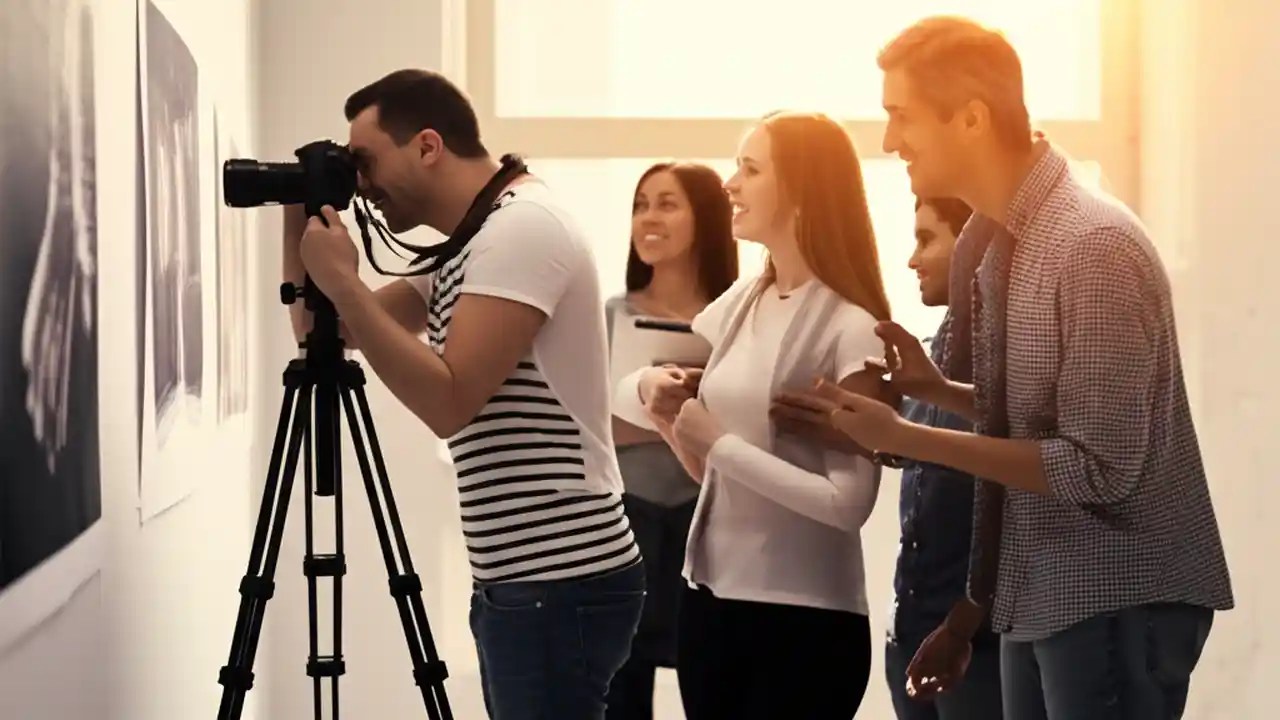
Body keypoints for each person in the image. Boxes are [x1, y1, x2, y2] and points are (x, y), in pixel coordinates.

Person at [793, 16, 1234, 719]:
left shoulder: (1092, 248)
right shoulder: (1004, 241)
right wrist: (938, 394)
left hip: (1114, 598)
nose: (888, 141)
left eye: (900, 115)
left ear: (970, 118)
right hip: (1043, 600)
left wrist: (910, 436)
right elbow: (1040, 420)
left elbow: (1099, 467)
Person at [288, 68, 644, 720]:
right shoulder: (471, 241)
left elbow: (450, 403)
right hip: (525, 578)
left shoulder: (523, 229)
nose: (359, 182)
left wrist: (345, 285)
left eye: (364, 162)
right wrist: (300, 212)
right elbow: (321, 334)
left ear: (428, 145)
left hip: (558, 576)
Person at [613, 111, 893, 720]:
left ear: (800, 188)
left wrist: (717, 444)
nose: (730, 185)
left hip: (806, 624)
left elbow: (850, 504)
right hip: (710, 607)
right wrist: (656, 395)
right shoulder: (742, 302)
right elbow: (684, 445)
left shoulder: (854, 327)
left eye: (750, 168)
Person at [603, 161, 738, 720]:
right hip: (625, 522)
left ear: (706, 219)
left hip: (711, 522)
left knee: (716, 685)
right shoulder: (611, 314)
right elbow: (588, 424)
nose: (648, 218)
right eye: (640, 204)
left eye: (666, 203)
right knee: (620, 689)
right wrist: (668, 410)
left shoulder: (738, 318)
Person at [885, 197, 1003, 719]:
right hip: (911, 635)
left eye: (928, 239)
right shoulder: (926, 355)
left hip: (978, 647)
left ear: (976, 249)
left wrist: (962, 625)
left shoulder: (1013, 363)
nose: (913, 259)